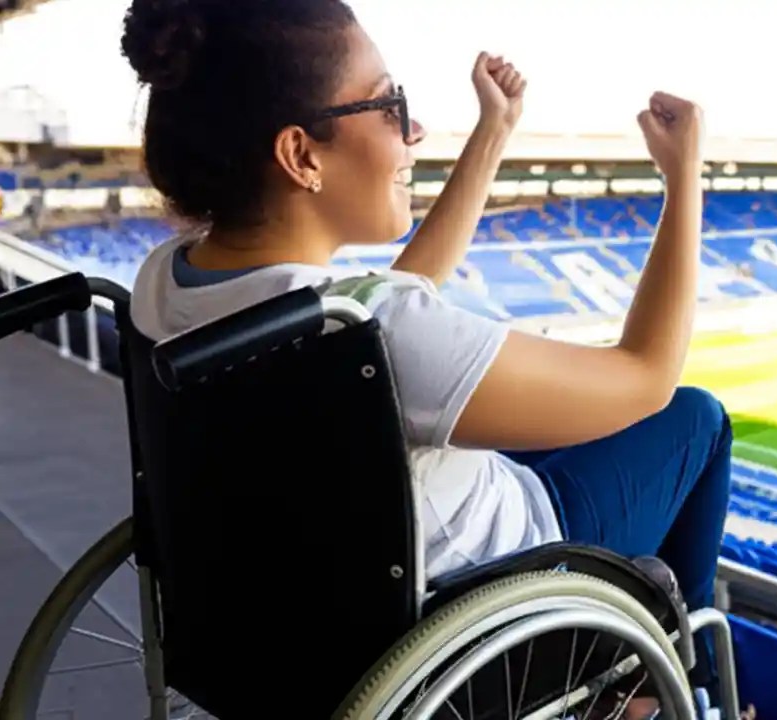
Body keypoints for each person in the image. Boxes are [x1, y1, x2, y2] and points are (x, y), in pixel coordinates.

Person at [118, 1, 732, 717]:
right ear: (301, 155)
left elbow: (389, 315)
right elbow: (646, 376)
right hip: (491, 587)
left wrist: (493, 131)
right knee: (696, 417)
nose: (412, 131)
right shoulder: (382, 333)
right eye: (388, 104)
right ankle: (676, 692)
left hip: (285, 623)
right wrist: (684, 175)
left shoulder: (167, 285)